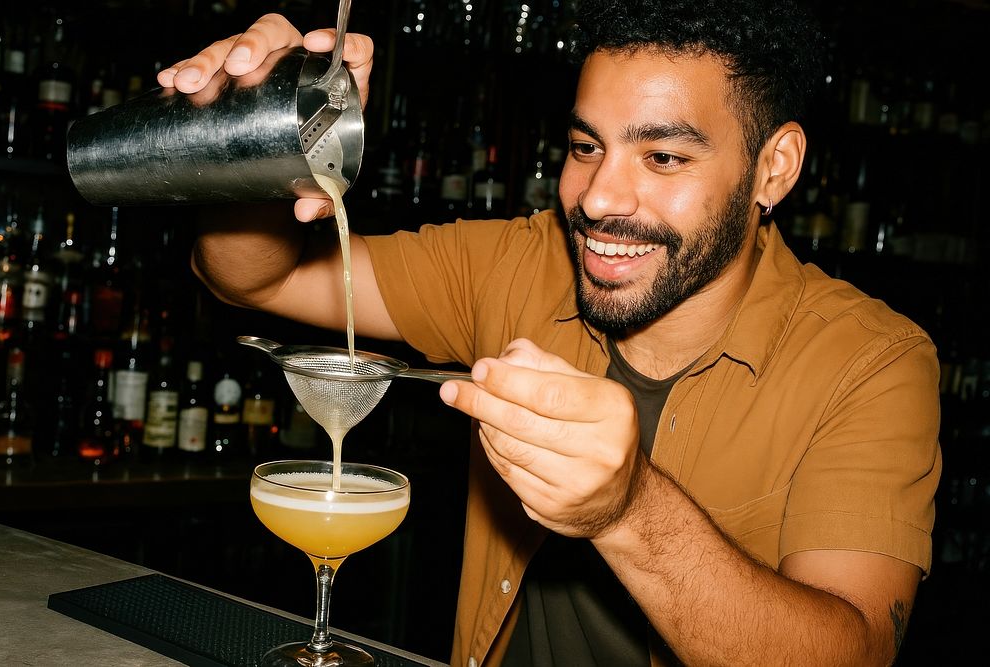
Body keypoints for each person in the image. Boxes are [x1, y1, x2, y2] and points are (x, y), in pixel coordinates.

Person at [160, 2, 941, 665]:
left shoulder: (871, 362)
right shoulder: (521, 260)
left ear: (775, 168)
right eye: (585, 147)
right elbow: (251, 276)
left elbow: (856, 646)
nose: (599, 198)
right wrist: (258, 132)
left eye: (663, 156)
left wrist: (629, 507)